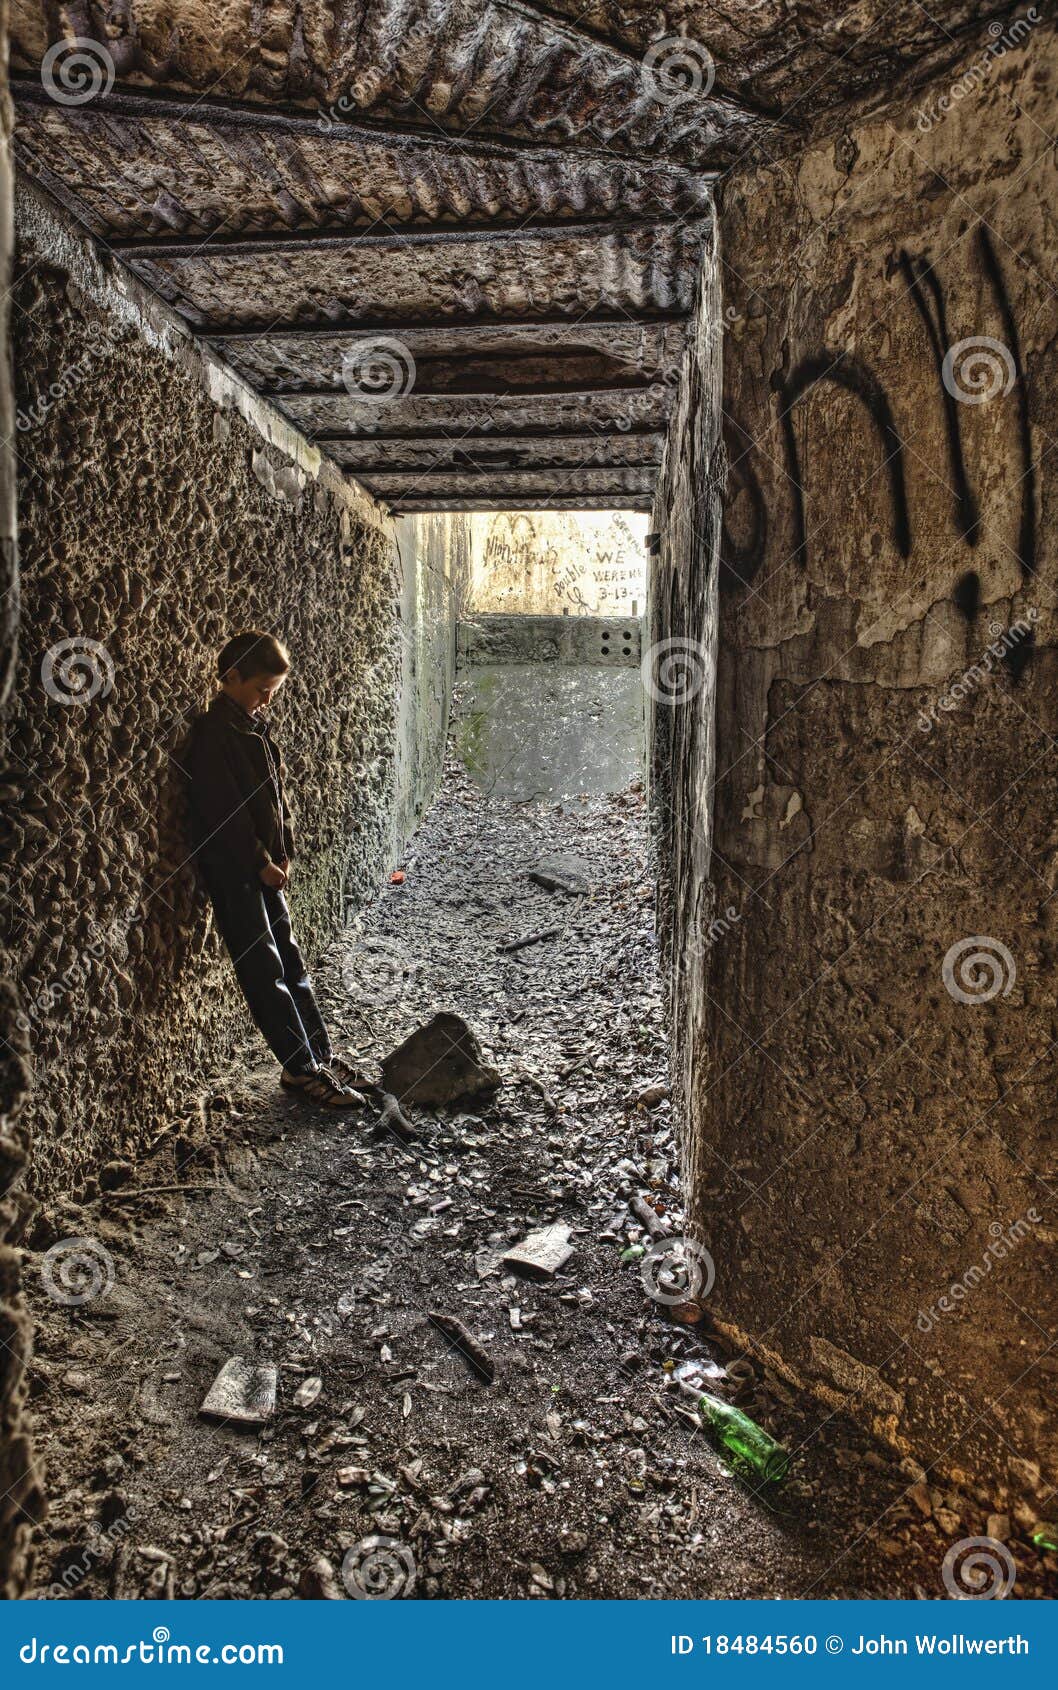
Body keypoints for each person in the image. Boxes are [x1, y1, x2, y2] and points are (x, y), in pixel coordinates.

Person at [187, 630, 360, 1107]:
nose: (267, 701)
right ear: (232, 676)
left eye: (273, 693)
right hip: (238, 872)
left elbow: (271, 801)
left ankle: (319, 1056)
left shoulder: (248, 727)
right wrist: (261, 862)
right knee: (265, 969)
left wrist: (282, 852)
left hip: (264, 869)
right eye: (262, 689)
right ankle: (300, 1069)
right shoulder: (214, 734)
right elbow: (224, 810)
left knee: (290, 958)